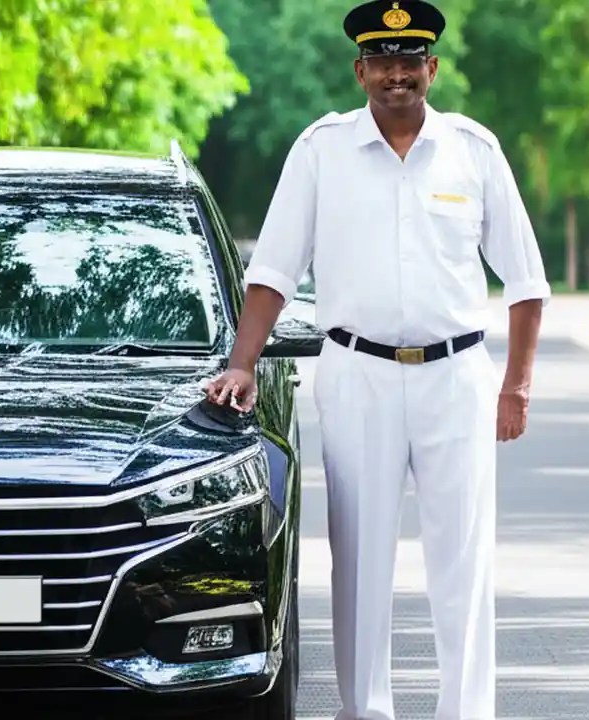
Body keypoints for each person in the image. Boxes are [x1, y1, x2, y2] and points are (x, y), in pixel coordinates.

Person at [204, 1, 550, 718]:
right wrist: (242, 362)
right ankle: (365, 711)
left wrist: (516, 385)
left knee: (463, 562)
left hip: (456, 377)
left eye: (411, 60)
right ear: (361, 69)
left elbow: (526, 281)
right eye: (384, 61)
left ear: (432, 68)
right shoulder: (321, 151)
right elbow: (271, 271)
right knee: (359, 562)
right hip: (357, 373)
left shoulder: (473, 151)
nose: (398, 74)